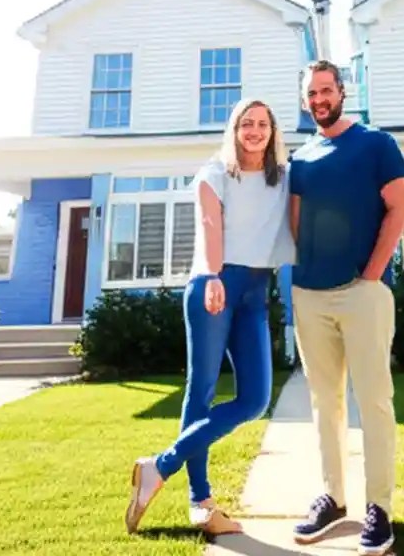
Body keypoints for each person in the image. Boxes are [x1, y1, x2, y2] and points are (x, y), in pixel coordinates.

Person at [125, 98, 295, 537]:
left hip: (255, 291)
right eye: (246, 124)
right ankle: (201, 502)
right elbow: (209, 224)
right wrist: (214, 274)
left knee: (255, 399)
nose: (255, 131)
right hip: (213, 285)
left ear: (273, 132)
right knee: (200, 391)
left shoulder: (285, 178)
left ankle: (158, 467)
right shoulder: (215, 172)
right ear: (235, 130)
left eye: (263, 124)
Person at [288, 59, 404, 555]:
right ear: (304, 100)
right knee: (324, 402)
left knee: (374, 401)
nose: (319, 99)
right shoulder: (302, 157)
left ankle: (379, 506)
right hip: (309, 294)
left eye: (325, 90)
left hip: (363, 292)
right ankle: (334, 497)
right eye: (310, 94)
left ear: (341, 91)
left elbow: (398, 206)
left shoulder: (377, 144)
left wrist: (372, 273)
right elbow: (295, 221)